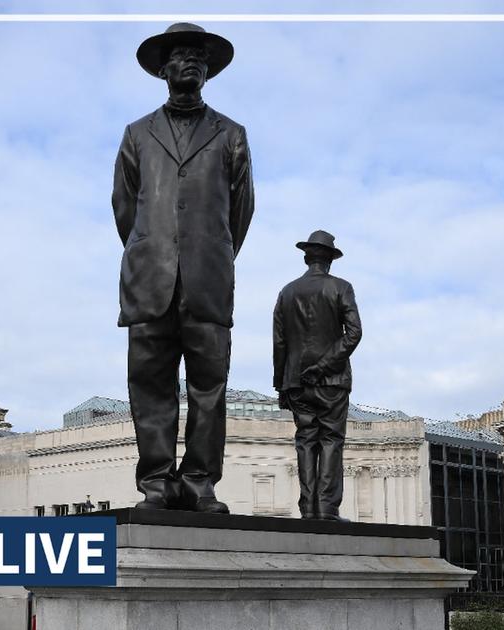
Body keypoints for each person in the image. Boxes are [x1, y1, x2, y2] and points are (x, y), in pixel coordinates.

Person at [112, 23, 254, 513]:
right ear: (163, 69)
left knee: (209, 388)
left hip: (208, 280)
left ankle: (198, 482)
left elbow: (241, 210)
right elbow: (125, 208)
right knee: (149, 384)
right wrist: (153, 250)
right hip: (149, 279)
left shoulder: (231, 134)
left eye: (198, 55)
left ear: (208, 70)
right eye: (179, 55)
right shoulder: (137, 134)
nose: (190, 61)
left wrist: (210, 252)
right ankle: (156, 482)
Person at [272, 230, 362, 521]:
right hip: (332, 381)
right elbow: (354, 334)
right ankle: (326, 508)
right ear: (330, 260)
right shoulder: (341, 287)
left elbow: (279, 343)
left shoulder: (287, 292)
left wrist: (281, 385)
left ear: (307, 258)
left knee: (306, 441)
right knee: (331, 440)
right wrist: (325, 366)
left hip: (296, 382)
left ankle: (308, 509)